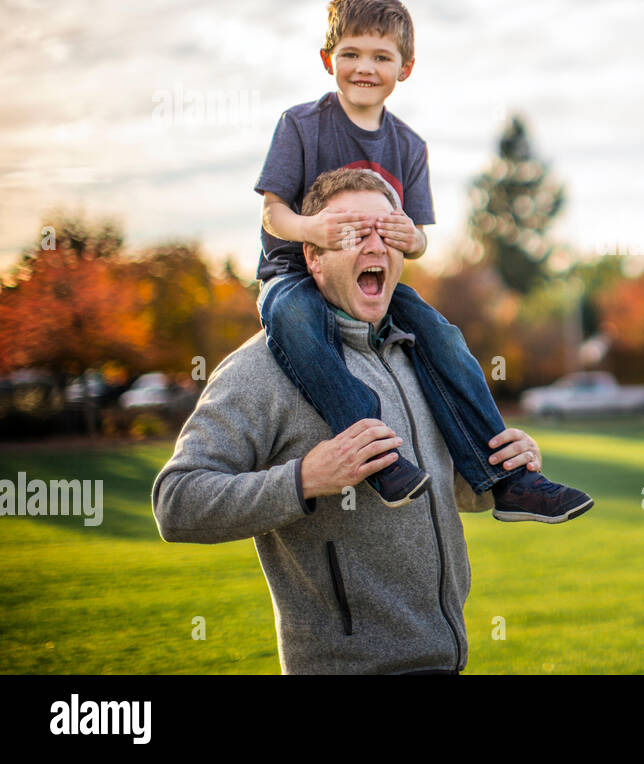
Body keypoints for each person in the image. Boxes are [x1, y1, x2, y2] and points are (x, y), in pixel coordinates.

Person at [153, 169, 549, 673]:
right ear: (313, 256)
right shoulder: (262, 369)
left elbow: (444, 493)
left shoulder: (417, 355)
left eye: (387, 233)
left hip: (444, 661)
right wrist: (305, 479)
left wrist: (501, 470)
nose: (376, 247)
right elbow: (176, 501)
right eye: (355, 234)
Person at [256, 0, 590, 522]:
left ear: (404, 68)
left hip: (370, 284)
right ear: (328, 60)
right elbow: (273, 213)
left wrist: (411, 240)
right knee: (296, 319)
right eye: (351, 54)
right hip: (294, 273)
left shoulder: (408, 146)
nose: (365, 68)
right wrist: (313, 228)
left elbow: (419, 238)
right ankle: (378, 455)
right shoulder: (301, 125)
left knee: (444, 336)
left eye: (381, 57)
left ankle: (505, 479)